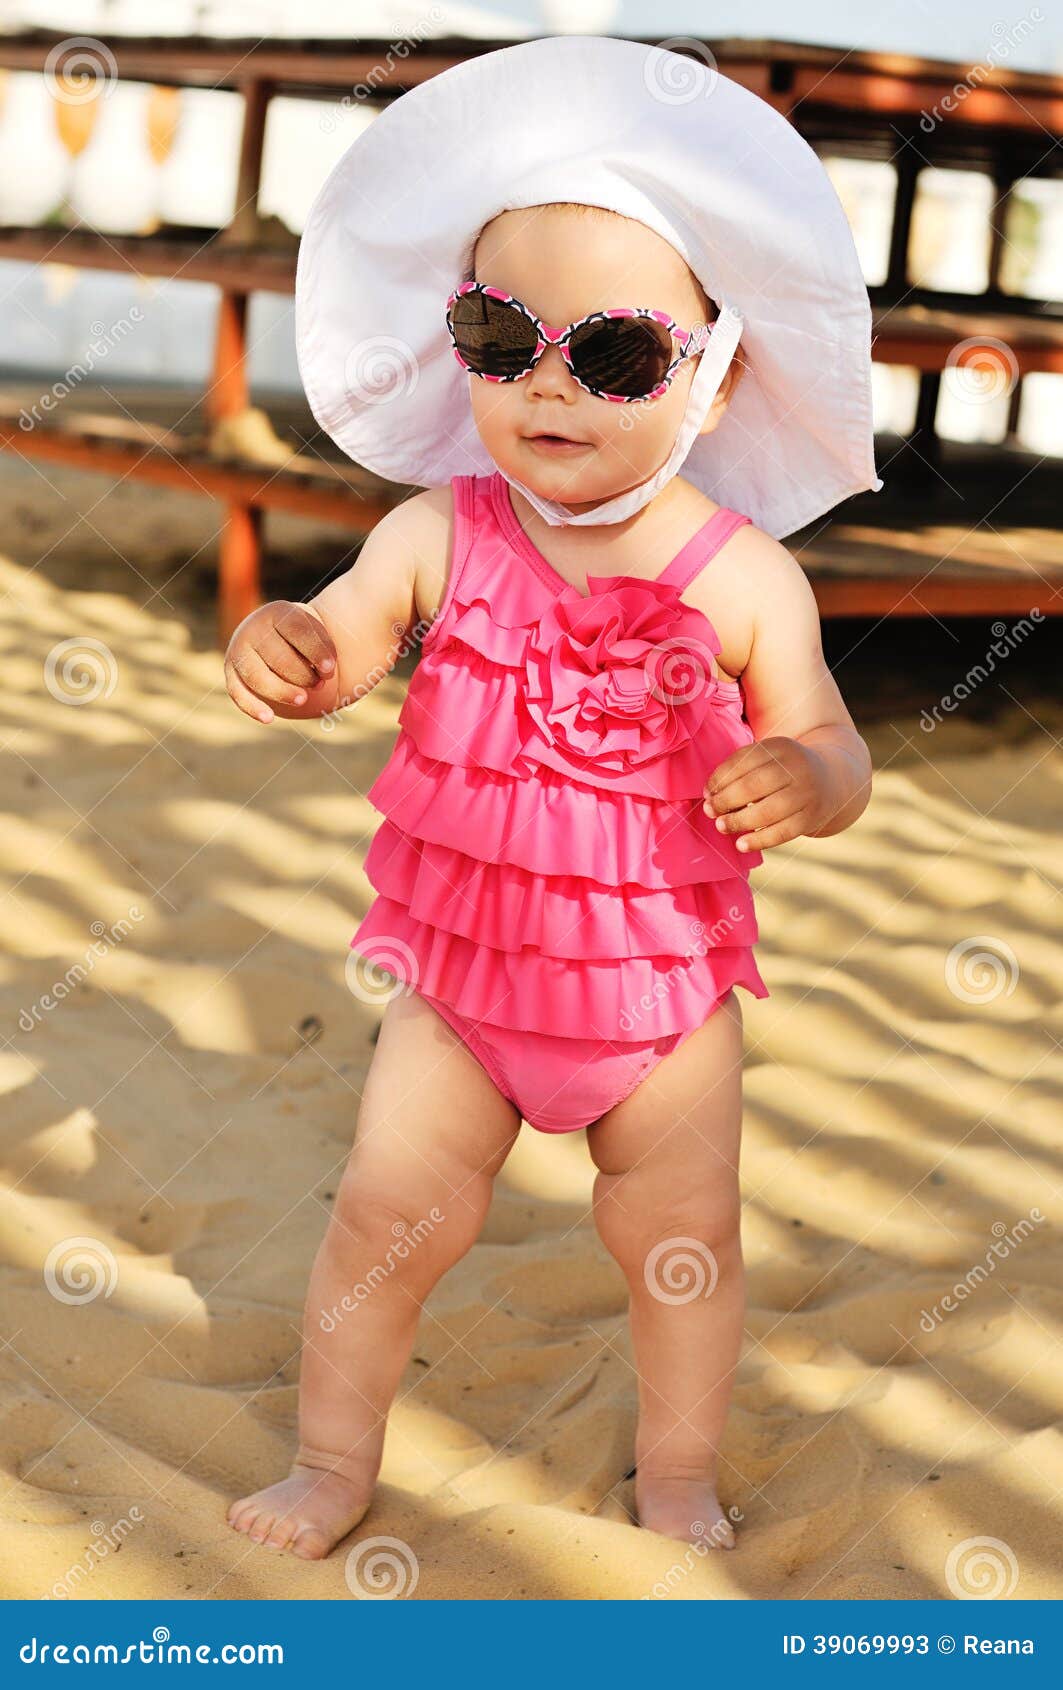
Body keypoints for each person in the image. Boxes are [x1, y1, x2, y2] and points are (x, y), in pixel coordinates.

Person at [222, 35, 880, 1561]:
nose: (549, 384)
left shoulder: (743, 577)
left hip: (660, 995)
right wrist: (296, 644)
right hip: (460, 980)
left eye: (621, 355)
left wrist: (812, 775)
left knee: (682, 1244)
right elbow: (349, 638)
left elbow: (837, 745)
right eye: (499, 333)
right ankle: (332, 1459)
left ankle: (675, 1474)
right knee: (389, 1218)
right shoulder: (440, 530)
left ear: (709, 383)